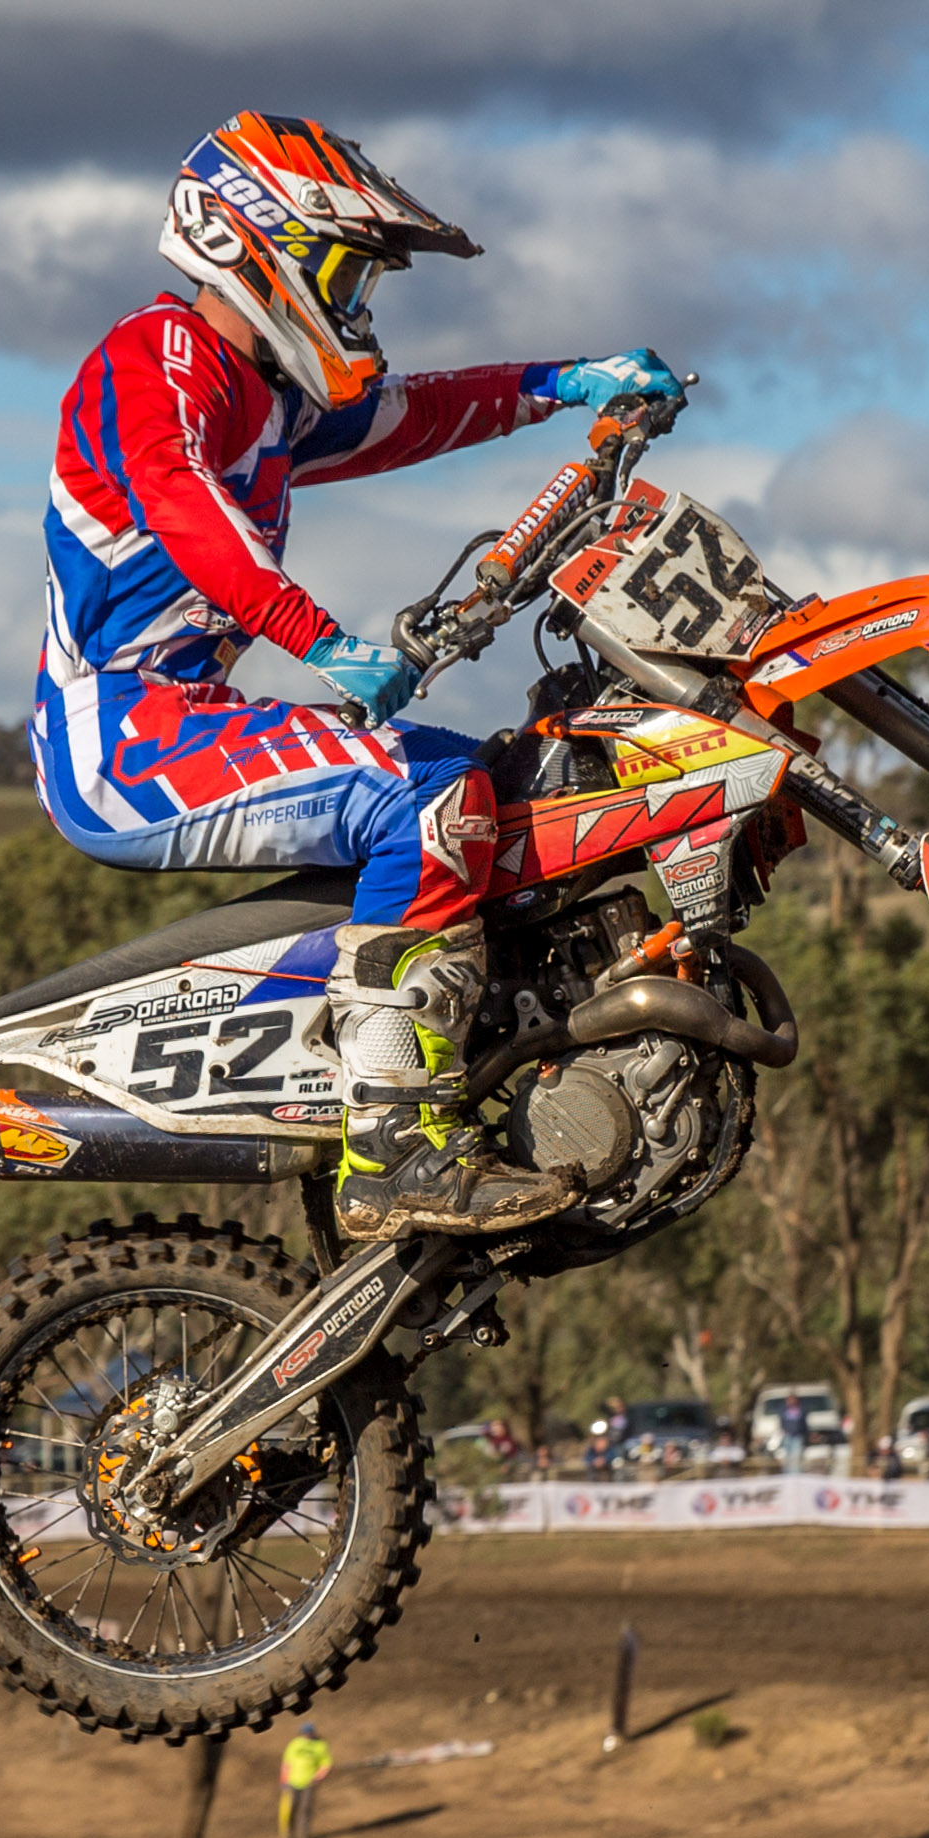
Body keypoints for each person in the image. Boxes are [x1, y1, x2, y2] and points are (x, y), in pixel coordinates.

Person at [35, 110, 687, 1241]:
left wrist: (564, 379)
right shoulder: (157, 360)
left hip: (185, 718)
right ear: (249, 245)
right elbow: (181, 504)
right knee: (428, 800)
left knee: (485, 774)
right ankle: (394, 1143)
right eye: (343, 274)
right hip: (125, 740)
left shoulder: (265, 394)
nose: (353, 309)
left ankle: (481, 1050)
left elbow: (411, 413)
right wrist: (322, 639)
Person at [277, 1719, 334, 1838]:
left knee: (305, 1810)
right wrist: (283, 1780)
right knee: (289, 1810)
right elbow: (286, 1763)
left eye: (309, 1732)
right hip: (292, 1782)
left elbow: (326, 1764)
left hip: (309, 1784)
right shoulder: (294, 1744)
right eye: (304, 1732)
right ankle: (286, 1835)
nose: (306, 1735)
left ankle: (304, 1837)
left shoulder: (320, 1745)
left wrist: (318, 1777)